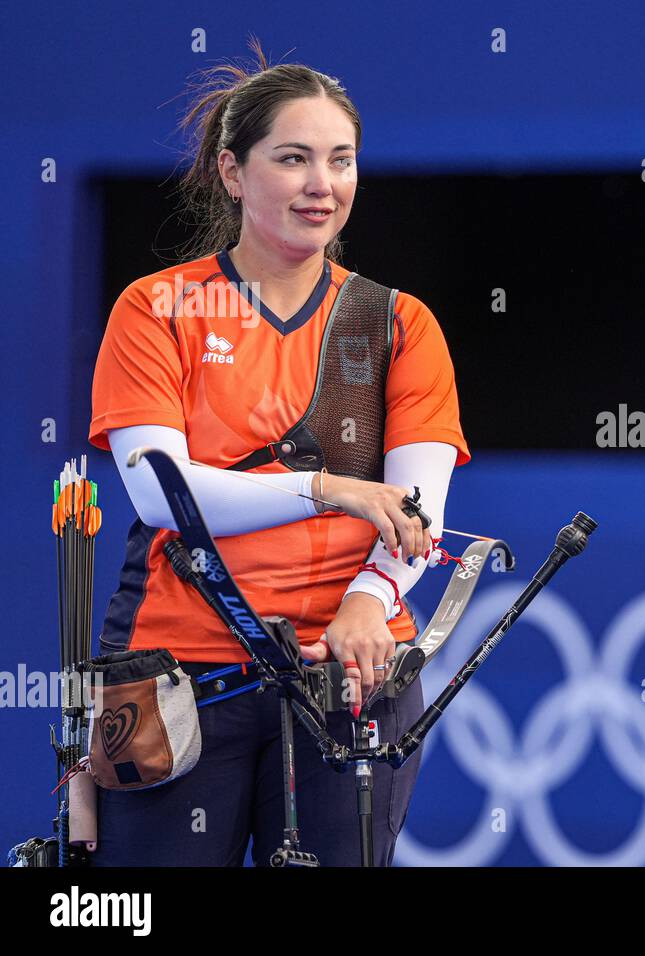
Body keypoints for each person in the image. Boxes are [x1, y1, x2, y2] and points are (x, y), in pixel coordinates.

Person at [85, 42, 469, 866]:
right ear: (232, 171)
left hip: (351, 676)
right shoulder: (158, 308)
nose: (321, 185)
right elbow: (163, 498)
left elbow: (417, 512)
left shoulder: (400, 324)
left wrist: (371, 597)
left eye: (341, 160)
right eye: (292, 159)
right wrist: (329, 489)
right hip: (185, 678)